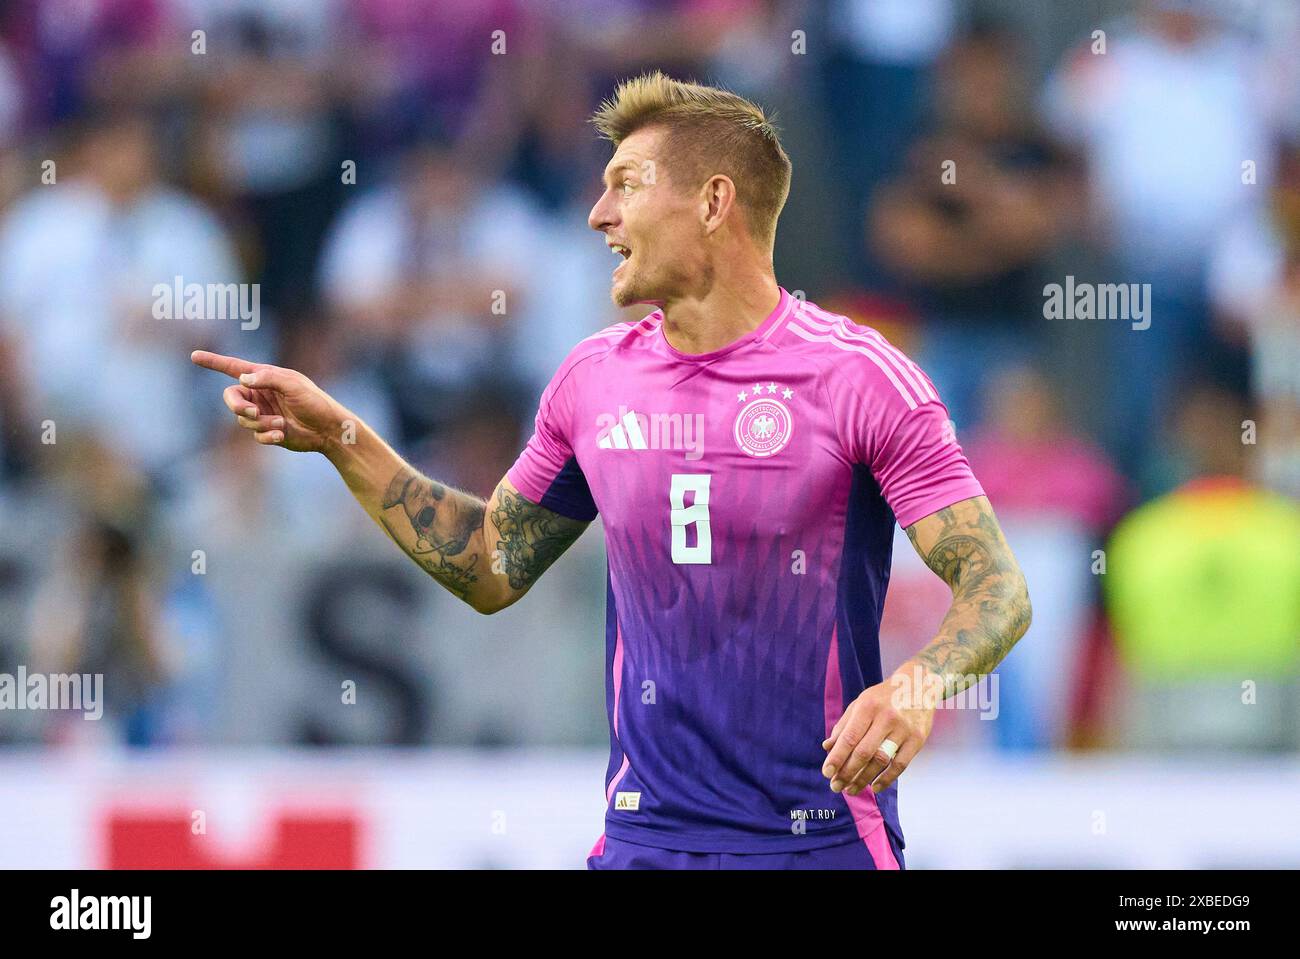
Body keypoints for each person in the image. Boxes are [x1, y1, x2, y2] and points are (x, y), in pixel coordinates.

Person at [192, 72, 1031, 870]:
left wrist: (919, 682)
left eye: (626, 183)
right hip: (644, 841)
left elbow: (997, 587)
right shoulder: (592, 382)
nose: (598, 214)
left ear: (712, 202)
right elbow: (489, 563)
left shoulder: (860, 378)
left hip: (820, 841)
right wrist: (343, 437)